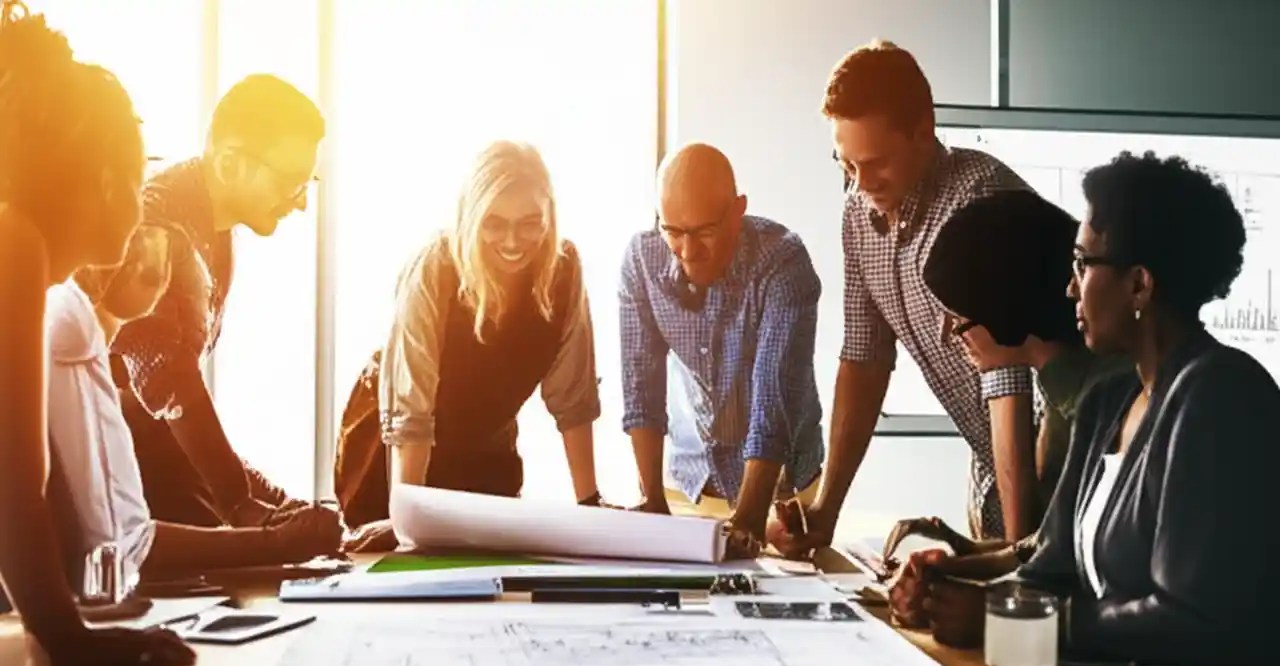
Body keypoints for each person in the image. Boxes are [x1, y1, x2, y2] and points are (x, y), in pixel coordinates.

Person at [916, 152, 1280, 666]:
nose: (1070, 288)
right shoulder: (1109, 399)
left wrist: (1002, 618)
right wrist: (943, 594)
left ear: (1139, 285)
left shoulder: (1220, 394)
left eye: (1083, 264)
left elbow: (1189, 618)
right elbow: (1049, 569)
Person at [769, 39, 1037, 556]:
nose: (861, 184)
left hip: (1068, 465)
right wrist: (825, 511)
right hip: (992, 467)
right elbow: (864, 360)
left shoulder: (979, 203)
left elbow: (1010, 378)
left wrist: (1017, 558)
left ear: (923, 130)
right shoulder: (858, 213)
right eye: (847, 165)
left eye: (876, 163)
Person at [0, 7, 193, 666]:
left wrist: (66, 620)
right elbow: (13, 483)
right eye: (140, 186)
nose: (141, 209)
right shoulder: (14, 243)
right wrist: (70, 638)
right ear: (110, 182)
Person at [337, 140, 603, 551]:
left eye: (530, 223)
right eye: (494, 223)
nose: (512, 241)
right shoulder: (434, 267)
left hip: (485, 450)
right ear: (469, 216)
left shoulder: (564, 268)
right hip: (393, 458)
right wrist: (408, 523)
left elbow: (574, 400)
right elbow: (411, 414)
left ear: (549, 215)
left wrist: (590, 505)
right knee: (402, 562)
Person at [881, 190, 1125, 637]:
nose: (949, 332)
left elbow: (1090, 568)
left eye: (960, 317)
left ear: (1005, 309)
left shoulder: (1105, 399)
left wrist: (989, 608)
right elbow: (1048, 544)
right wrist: (957, 562)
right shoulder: (1061, 389)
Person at [45, 228, 343, 592]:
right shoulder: (70, 331)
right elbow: (128, 547)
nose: (188, 349)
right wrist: (278, 542)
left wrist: (280, 513)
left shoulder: (83, 349)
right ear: (147, 277)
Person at [110, 73, 329, 530]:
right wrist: (239, 503)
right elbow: (170, 383)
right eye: (291, 182)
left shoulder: (216, 226)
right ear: (230, 164)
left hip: (142, 452)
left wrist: (279, 503)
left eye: (306, 182)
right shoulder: (156, 225)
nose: (301, 203)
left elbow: (178, 417)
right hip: (97, 470)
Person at [619, 143, 824, 558]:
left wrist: (749, 518)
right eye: (673, 231)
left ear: (737, 212)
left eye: (704, 232)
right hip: (691, 483)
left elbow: (773, 398)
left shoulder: (783, 261)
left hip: (780, 490)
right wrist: (652, 498)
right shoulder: (642, 259)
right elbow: (641, 389)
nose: (688, 251)